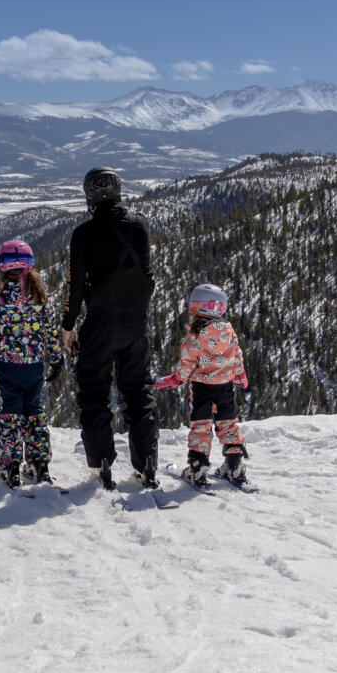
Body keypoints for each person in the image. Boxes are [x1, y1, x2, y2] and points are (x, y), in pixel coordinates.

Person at [59, 166, 159, 489]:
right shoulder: (140, 225)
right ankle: (147, 465)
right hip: (136, 324)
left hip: (100, 322)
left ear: (90, 196)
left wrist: (68, 325)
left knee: (94, 392)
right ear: (118, 191)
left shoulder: (84, 235)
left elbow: (74, 285)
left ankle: (101, 463)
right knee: (139, 392)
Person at [0, 239, 59, 487]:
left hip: (6, 366)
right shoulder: (41, 300)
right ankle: (39, 464)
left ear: (2, 268)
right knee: (34, 413)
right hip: (33, 366)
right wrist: (55, 360)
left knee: (11, 413)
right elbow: (49, 334)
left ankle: (9, 466)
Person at [155, 283, 249, 486]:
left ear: (199, 309)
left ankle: (197, 467)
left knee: (202, 426)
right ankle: (234, 465)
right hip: (225, 387)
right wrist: (239, 374)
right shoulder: (229, 332)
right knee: (228, 424)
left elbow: (186, 366)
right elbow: (237, 355)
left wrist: (173, 380)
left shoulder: (194, 338)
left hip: (202, 389)